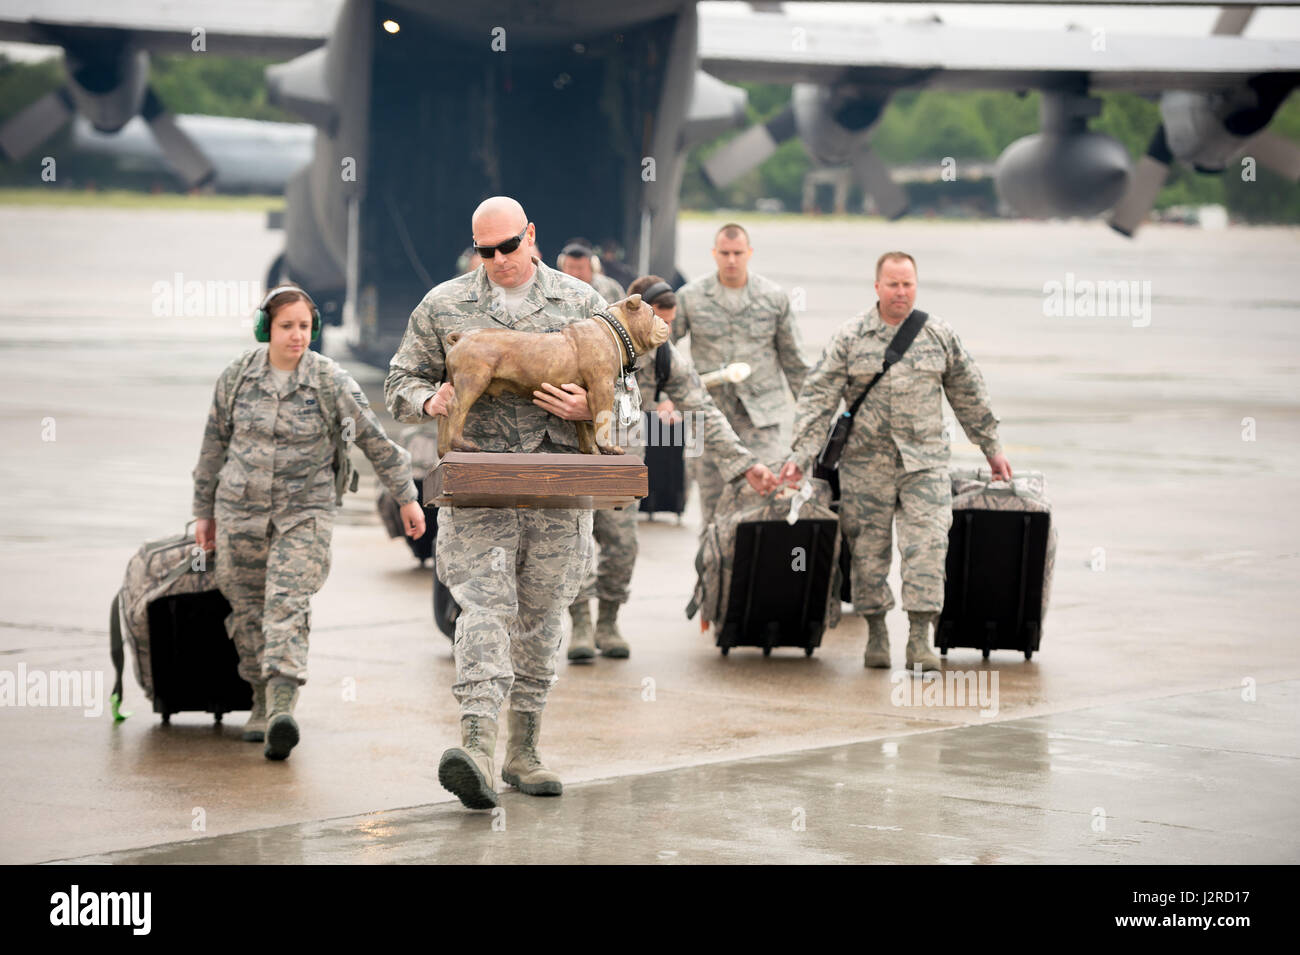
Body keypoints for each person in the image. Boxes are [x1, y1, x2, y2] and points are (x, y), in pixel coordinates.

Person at [384, 196, 609, 809]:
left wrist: (593, 409)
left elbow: (630, 391)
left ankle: (525, 750)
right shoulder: (446, 305)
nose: (500, 260)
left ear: (531, 236)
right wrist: (428, 401)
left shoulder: (582, 303)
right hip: (478, 487)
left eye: (509, 246)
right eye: (487, 251)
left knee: (542, 617)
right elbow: (398, 379)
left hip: (558, 490)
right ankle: (477, 746)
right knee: (483, 610)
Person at [192, 285, 424, 760]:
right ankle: (259, 699)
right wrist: (203, 512)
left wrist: (406, 497)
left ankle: (281, 706)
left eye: (304, 326)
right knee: (247, 608)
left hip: (305, 512)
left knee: (286, 601)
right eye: (287, 327)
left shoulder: (328, 380)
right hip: (240, 512)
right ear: (266, 329)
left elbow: (374, 439)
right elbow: (213, 446)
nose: (297, 336)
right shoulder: (237, 376)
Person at [778, 252, 1012, 671]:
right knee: (869, 554)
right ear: (877, 287)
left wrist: (991, 448)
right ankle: (876, 632)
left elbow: (969, 395)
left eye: (907, 284)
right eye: (892, 284)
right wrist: (800, 455)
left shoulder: (938, 335)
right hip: (865, 466)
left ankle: (920, 638)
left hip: (925, 465)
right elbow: (818, 398)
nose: (900, 292)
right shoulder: (850, 337)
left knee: (927, 548)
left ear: (915, 286)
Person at [566, 275, 778, 661]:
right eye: (656, 322)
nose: (662, 334)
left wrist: (746, 465)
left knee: (622, 545)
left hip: (622, 461)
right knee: (575, 544)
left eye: (669, 325)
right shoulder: (594, 340)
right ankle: (580, 620)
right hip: (575, 455)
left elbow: (704, 411)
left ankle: (608, 621)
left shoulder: (665, 356)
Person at [673, 222, 809, 530]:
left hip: (761, 417)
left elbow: (795, 363)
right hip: (710, 418)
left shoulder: (773, 298)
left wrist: (813, 416)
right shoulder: (691, 297)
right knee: (714, 513)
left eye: (737, 253)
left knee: (767, 502)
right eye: (725, 253)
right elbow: (664, 350)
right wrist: (670, 396)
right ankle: (712, 577)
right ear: (714, 254)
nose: (731, 260)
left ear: (749, 253)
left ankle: (756, 576)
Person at [557, 239, 625, 304]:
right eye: (571, 267)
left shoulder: (610, 288)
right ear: (561, 267)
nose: (575, 273)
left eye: (580, 268)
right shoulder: (554, 288)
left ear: (593, 267)